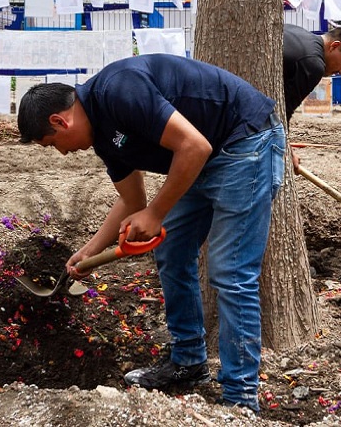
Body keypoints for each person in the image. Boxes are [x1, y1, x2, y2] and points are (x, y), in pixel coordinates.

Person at [17, 53, 285, 413]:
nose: (63, 153)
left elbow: (195, 146)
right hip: (205, 157)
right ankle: (188, 362)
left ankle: (240, 399)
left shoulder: (119, 90)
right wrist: (90, 251)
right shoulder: (102, 137)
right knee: (172, 251)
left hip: (245, 142)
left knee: (231, 272)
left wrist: (157, 213)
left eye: (53, 144)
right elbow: (132, 199)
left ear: (59, 121)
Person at [283, 22, 341, 169]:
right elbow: (283, 111)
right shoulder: (314, 64)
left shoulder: (295, 30)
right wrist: (286, 151)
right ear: (334, 46)